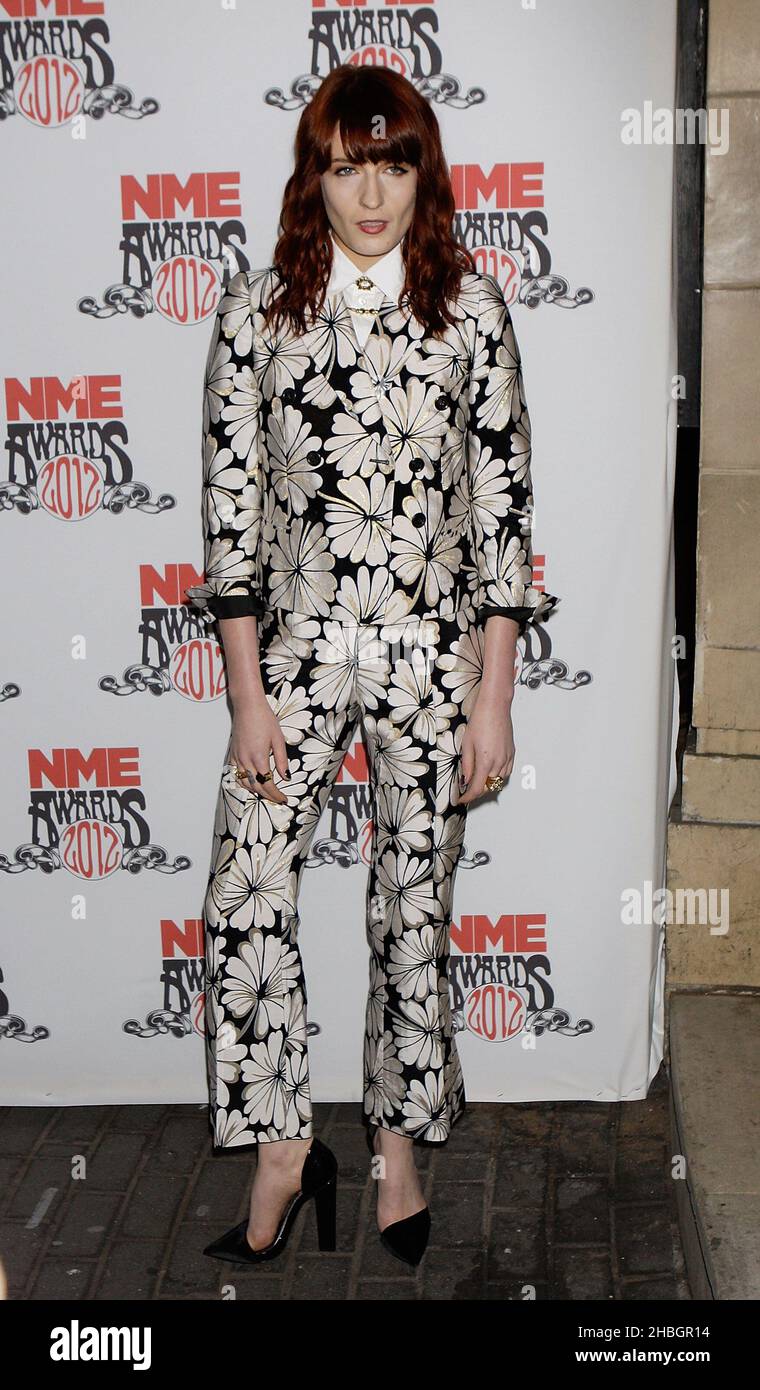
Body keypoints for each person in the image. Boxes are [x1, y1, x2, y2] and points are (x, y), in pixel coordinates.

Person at [187, 63, 559, 1269]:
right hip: (289, 654)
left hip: (430, 655)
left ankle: (396, 1146)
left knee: (413, 909)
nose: (370, 193)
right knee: (248, 891)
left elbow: (501, 515)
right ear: (316, 173)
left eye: (391, 163)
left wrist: (493, 700)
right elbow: (230, 516)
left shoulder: (472, 309)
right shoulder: (256, 311)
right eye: (347, 165)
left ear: (422, 171)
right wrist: (246, 692)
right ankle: (284, 1147)